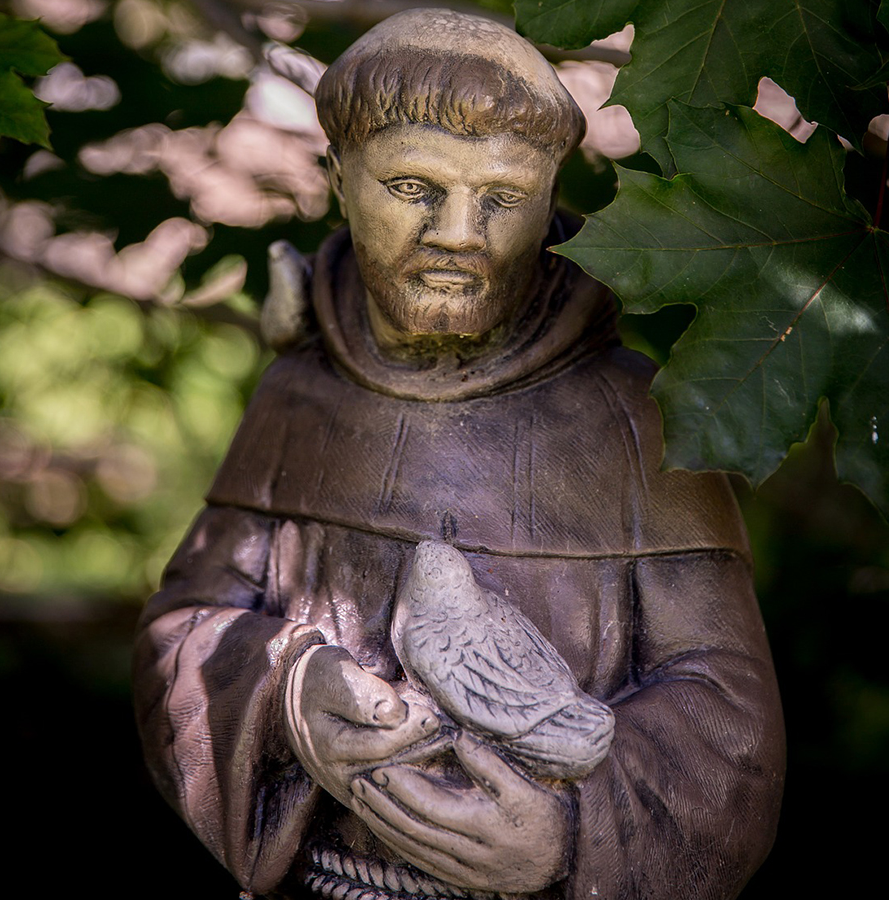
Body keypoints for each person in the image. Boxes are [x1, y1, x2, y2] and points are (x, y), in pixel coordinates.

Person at [133, 10, 785, 900]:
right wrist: (288, 694)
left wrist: (569, 836)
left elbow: (730, 720)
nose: (458, 232)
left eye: (503, 198)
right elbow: (185, 627)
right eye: (413, 186)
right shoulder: (300, 394)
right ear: (338, 178)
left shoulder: (639, 414)